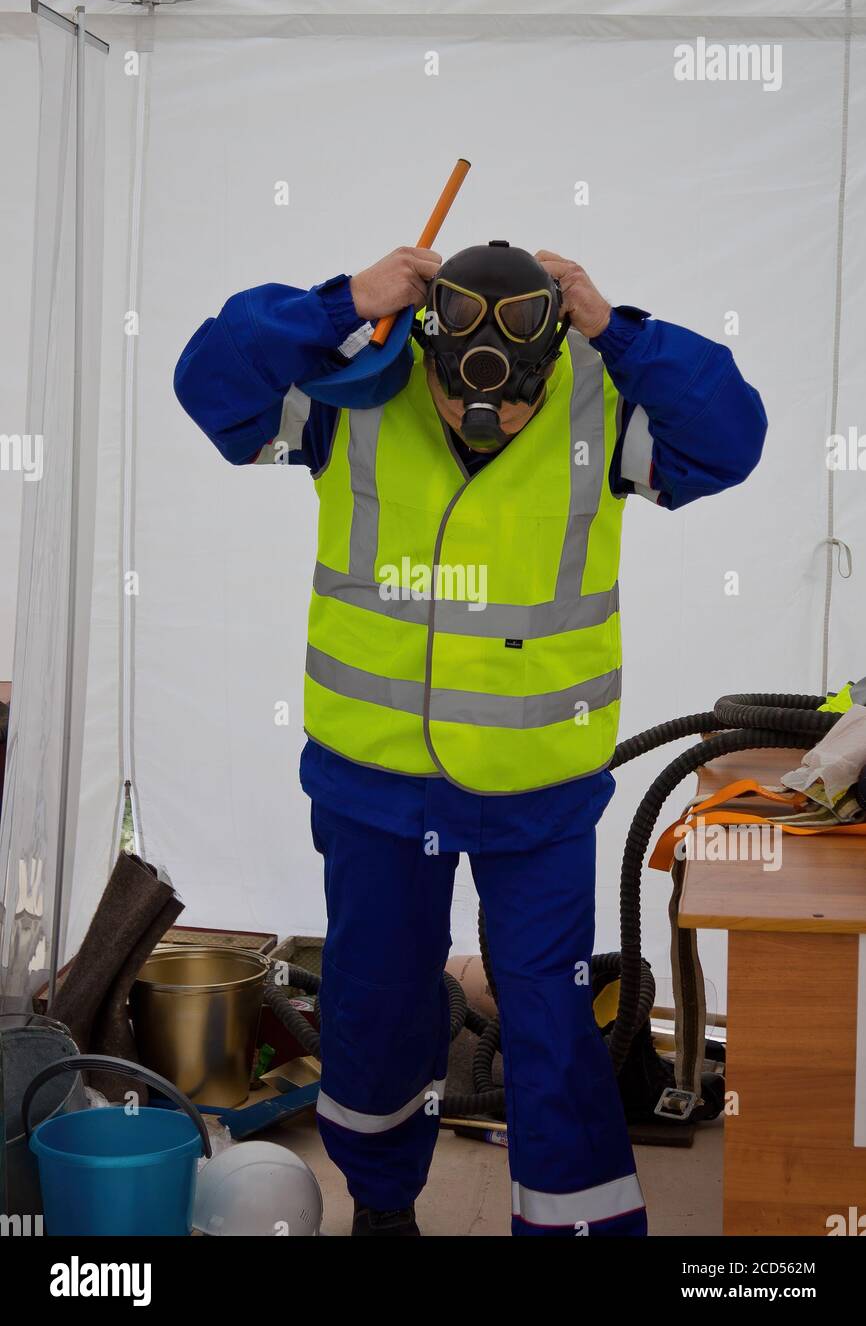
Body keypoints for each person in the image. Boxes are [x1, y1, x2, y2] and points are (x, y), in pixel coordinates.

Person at [175, 242, 767, 1237]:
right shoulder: (353, 386)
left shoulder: (599, 399)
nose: (484, 414)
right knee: (375, 1004)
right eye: (459, 394)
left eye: (512, 399)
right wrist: (339, 302)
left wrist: (611, 327)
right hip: (374, 784)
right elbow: (210, 385)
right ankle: (381, 1202)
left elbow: (730, 437)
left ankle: (571, 1224)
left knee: (552, 1025)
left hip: (535, 792)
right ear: (434, 350)